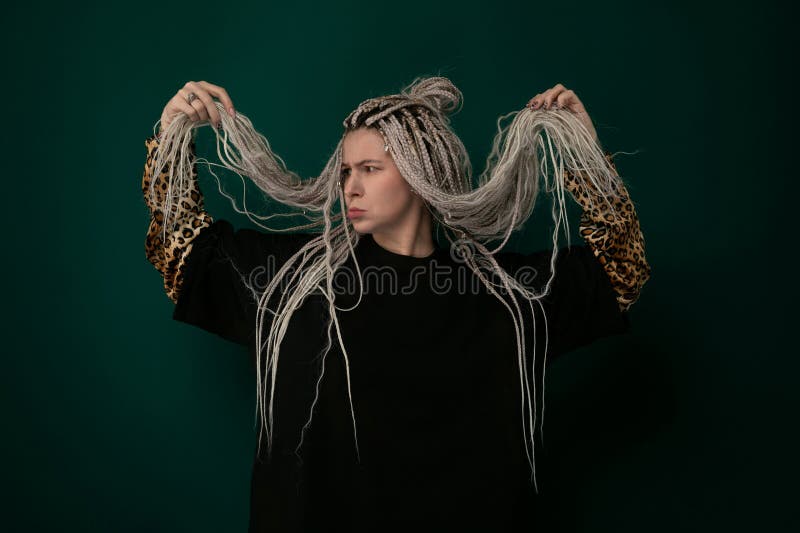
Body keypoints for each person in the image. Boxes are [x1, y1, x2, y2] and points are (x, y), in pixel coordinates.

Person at [142, 77, 650, 532]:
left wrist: (582, 152)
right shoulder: (293, 278)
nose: (350, 187)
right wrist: (171, 134)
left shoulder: (505, 294)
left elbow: (620, 270)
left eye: (369, 168)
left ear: (419, 172)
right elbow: (181, 252)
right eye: (345, 171)